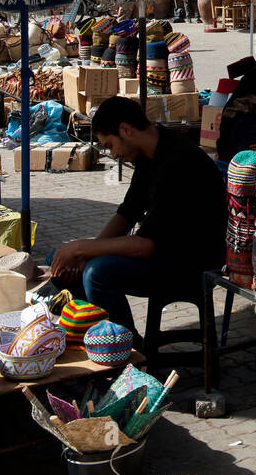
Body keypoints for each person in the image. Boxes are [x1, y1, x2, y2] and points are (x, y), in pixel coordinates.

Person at [49, 97, 226, 340]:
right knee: (59, 261)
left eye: (110, 145)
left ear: (126, 130)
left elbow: (144, 246)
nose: (114, 154)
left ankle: (125, 352)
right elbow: (127, 212)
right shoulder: (147, 154)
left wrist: (82, 248)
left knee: (97, 273)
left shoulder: (178, 160)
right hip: (163, 253)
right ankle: (98, 338)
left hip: (193, 262)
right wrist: (82, 254)